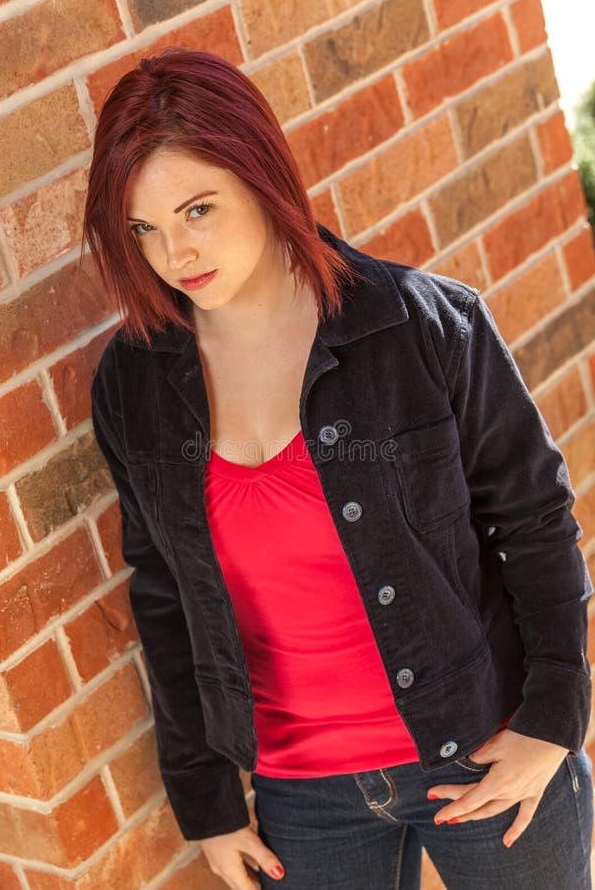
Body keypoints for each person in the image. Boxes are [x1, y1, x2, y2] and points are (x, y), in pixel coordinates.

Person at [86, 48, 594, 890]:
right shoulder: (133, 383)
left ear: (261, 175)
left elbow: (535, 520)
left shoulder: (424, 326)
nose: (175, 252)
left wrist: (553, 718)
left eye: (198, 209)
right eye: (144, 228)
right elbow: (164, 594)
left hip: (481, 752)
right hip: (301, 797)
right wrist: (207, 803)